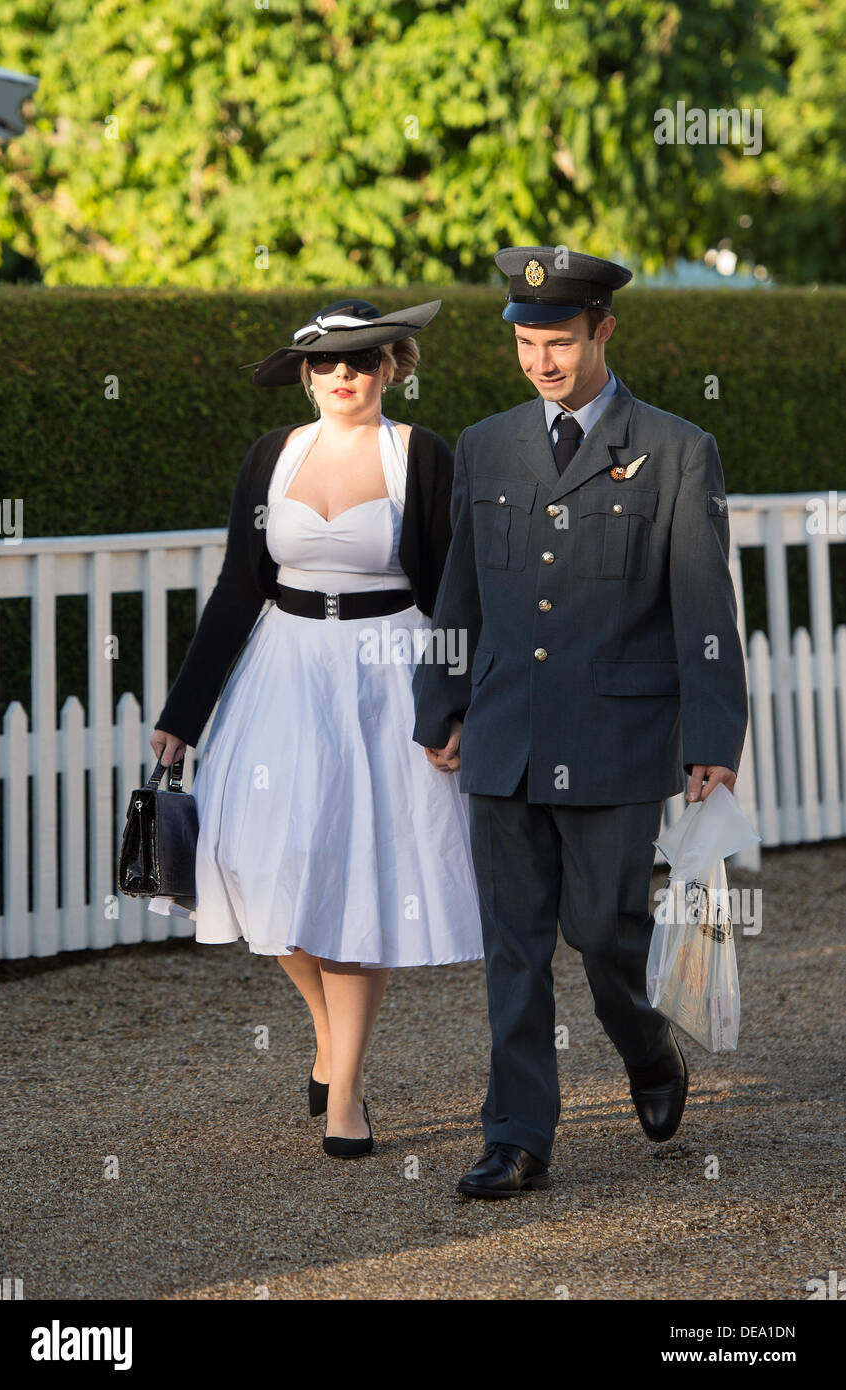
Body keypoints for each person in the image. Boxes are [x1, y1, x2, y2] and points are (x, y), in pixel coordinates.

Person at [412, 247, 749, 1198]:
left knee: (603, 930)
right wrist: (439, 703)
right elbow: (459, 595)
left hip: (616, 736)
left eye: (558, 340)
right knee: (513, 946)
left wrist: (712, 743)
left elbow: (702, 608)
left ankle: (647, 1048)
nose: (541, 361)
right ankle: (515, 1135)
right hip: (504, 732)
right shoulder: (484, 444)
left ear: (604, 329)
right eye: (525, 342)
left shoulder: (677, 450)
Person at [149, 297, 483, 1158]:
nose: (345, 375)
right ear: (305, 374)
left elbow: (453, 592)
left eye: (364, 361)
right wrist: (181, 717)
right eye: (329, 362)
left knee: (358, 870)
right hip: (284, 672)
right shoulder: (272, 455)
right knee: (251, 857)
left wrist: (451, 703)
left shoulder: (422, 456)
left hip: (387, 673)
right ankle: (327, 1034)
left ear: (392, 369)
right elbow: (237, 587)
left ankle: (350, 1091)